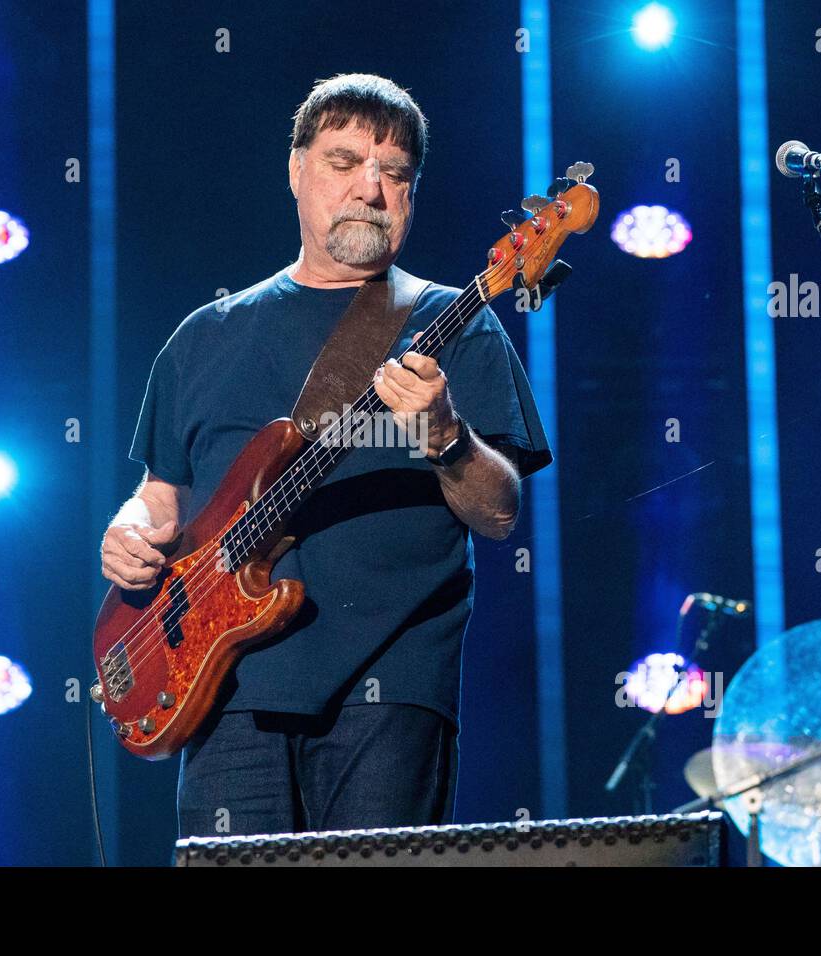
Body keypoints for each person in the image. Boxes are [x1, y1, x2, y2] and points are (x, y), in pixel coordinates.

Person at [100, 73, 551, 838]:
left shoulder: (454, 322)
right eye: (345, 162)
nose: (371, 189)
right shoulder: (202, 337)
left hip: (393, 682)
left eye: (396, 173)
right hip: (222, 683)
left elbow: (499, 512)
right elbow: (162, 495)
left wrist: (446, 435)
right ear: (296, 169)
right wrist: (130, 528)